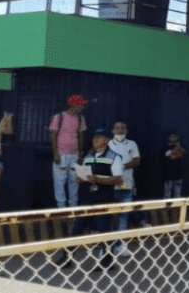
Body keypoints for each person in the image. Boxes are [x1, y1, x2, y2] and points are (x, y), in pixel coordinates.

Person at [53, 128, 124, 271]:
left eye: (99, 138)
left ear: (107, 140)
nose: (95, 140)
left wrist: (97, 179)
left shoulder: (114, 157)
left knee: (103, 231)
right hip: (87, 199)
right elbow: (84, 174)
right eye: (94, 138)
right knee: (77, 229)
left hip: (103, 199)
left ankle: (106, 261)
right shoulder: (89, 156)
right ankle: (67, 258)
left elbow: (118, 179)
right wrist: (80, 178)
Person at [49, 95, 88, 208]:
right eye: (80, 105)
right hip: (61, 154)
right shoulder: (59, 117)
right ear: (73, 105)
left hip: (75, 155)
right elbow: (53, 136)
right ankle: (61, 208)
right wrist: (55, 153)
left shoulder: (81, 118)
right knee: (59, 182)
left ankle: (73, 207)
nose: (82, 107)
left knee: (75, 182)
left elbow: (81, 137)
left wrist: (81, 155)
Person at [109, 121, 144, 244]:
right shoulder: (108, 144)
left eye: (123, 128)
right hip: (110, 186)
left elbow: (137, 161)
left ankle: (120, 245)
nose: (120, 130)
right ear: (113, 131)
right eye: (117, 128)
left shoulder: (132, 144)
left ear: (126, 131)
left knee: (123, 217)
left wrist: (122, 165)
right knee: (109, 217)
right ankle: (107, 246)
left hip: (125, 185)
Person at [162, 130, 188, 198]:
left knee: (177, 195)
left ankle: (177, 208)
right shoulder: (165, 147)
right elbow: (169, 155)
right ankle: (167, 208)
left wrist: (179, 148)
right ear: (168, 138)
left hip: (178, 174)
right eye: (172, 137)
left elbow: (184, 154)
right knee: (167, 195)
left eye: (175, 137)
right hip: (168, 174)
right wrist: (176, 148)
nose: (174, 138)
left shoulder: (181, 146)